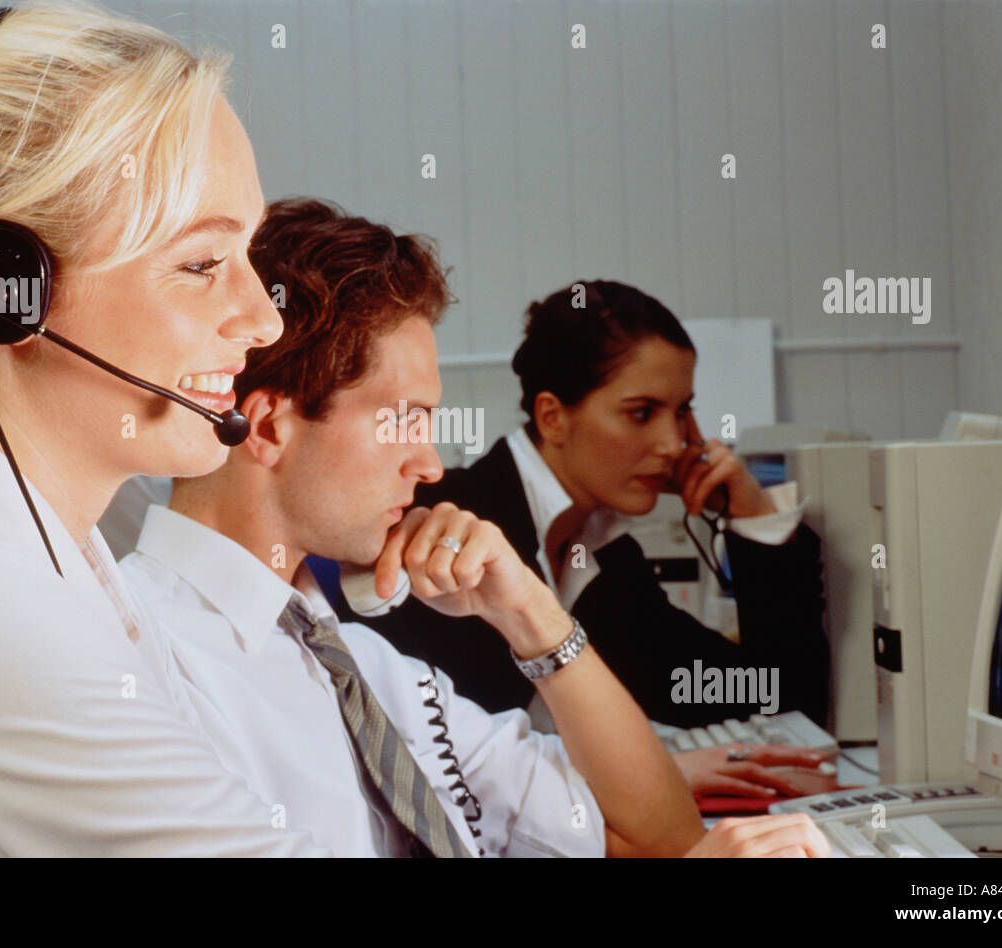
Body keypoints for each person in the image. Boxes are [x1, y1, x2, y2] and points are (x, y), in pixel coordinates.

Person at [0, 2, 346, 856]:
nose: (261, 323)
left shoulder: (51, 554)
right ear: (8, 290)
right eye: (199, 264)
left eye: (249, 258)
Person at [117, 197, 832, 856]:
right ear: (269, 426)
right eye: (405, 421)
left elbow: (656, 836)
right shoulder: (131, 655)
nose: (429, 465)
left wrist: (531, 614)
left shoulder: (361, 667)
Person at [357, 280, 832, 731]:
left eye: (682, 411)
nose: (673, 443)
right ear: (552, 418)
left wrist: (754, 519)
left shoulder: (602, 554)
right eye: (641, 413)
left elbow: (771, 695)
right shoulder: (436, 521)